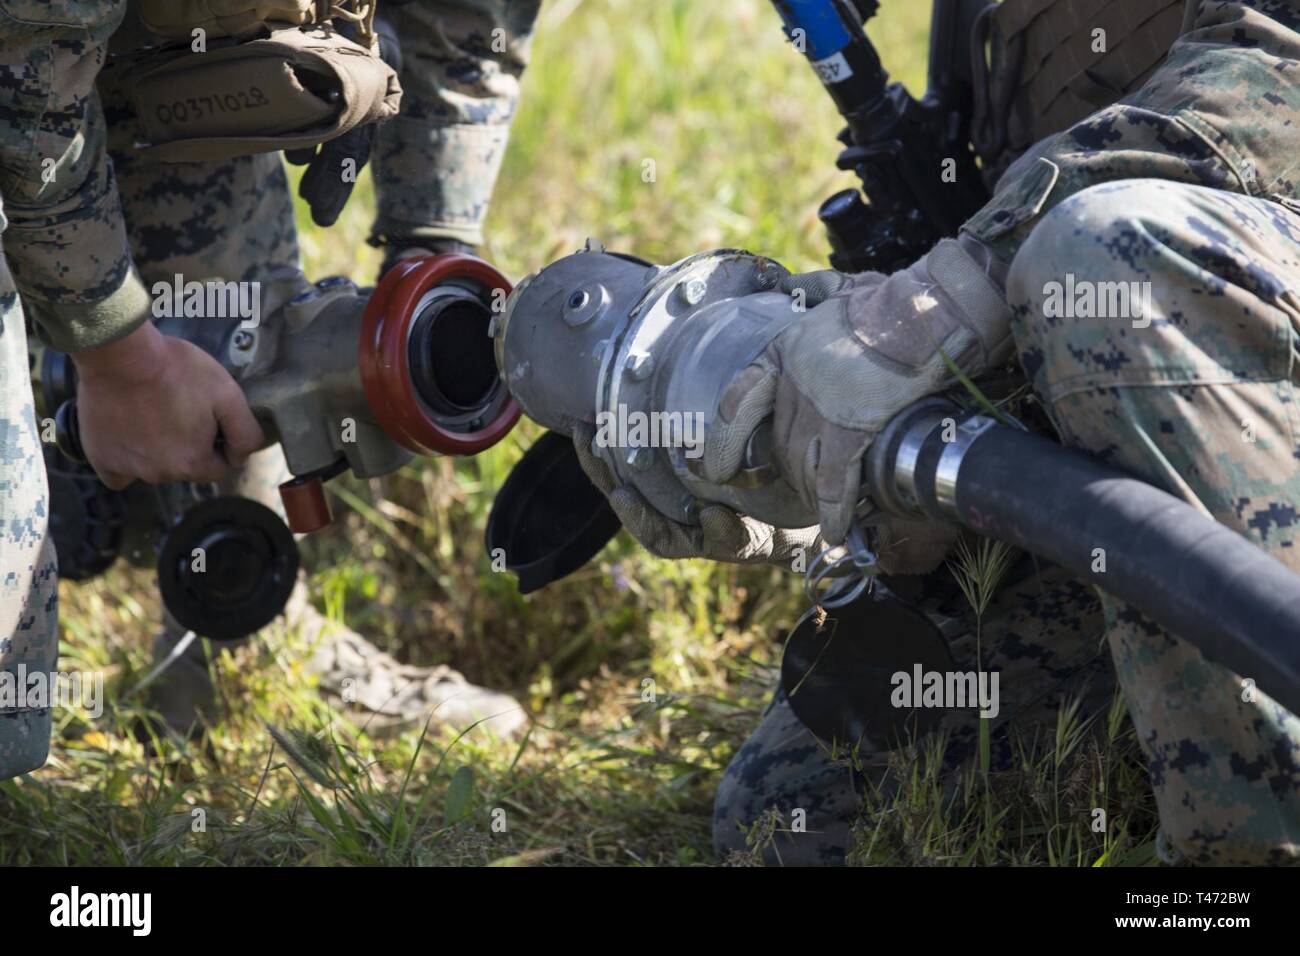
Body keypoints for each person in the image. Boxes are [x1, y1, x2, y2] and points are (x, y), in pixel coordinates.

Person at [578, 0, 1300, 865]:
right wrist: (834, 460)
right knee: (802, 822)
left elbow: (1275, 66)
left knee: (1100, 253)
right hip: (1180, 502)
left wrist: (947, 293)